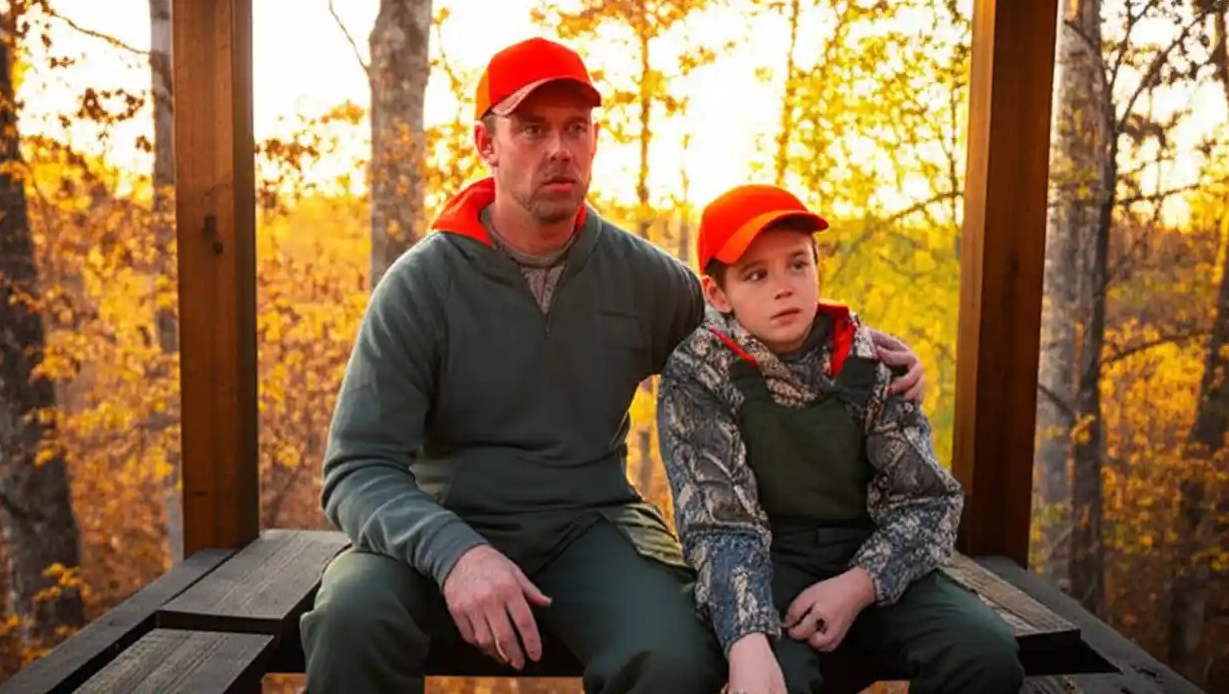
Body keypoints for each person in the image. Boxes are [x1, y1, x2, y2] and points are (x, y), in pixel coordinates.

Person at [299, 37, 928, 694]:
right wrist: (455, 553)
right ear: (487, 144)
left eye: (576, 128)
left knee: (676, 655)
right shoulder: (423, 285)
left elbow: (757, 332)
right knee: (351, 620)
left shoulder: (642, 278)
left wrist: (861, 346)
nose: (559, 149)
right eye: (532, 129)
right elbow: (357, 469)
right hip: (440, 527)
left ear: (595, 141)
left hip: (590, 525)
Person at [655, 183, 1026, 694]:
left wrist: (858, 586)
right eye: (756, 275)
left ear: (818, 265)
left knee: (983, 655)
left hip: (874, 558)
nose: (784, 288)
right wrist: (747, 640)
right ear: (718, 294)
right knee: (774, 680)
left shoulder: (871, 362)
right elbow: (719, 527)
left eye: (798, 265)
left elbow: (929, 502)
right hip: (763, 569)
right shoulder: (700, 374)